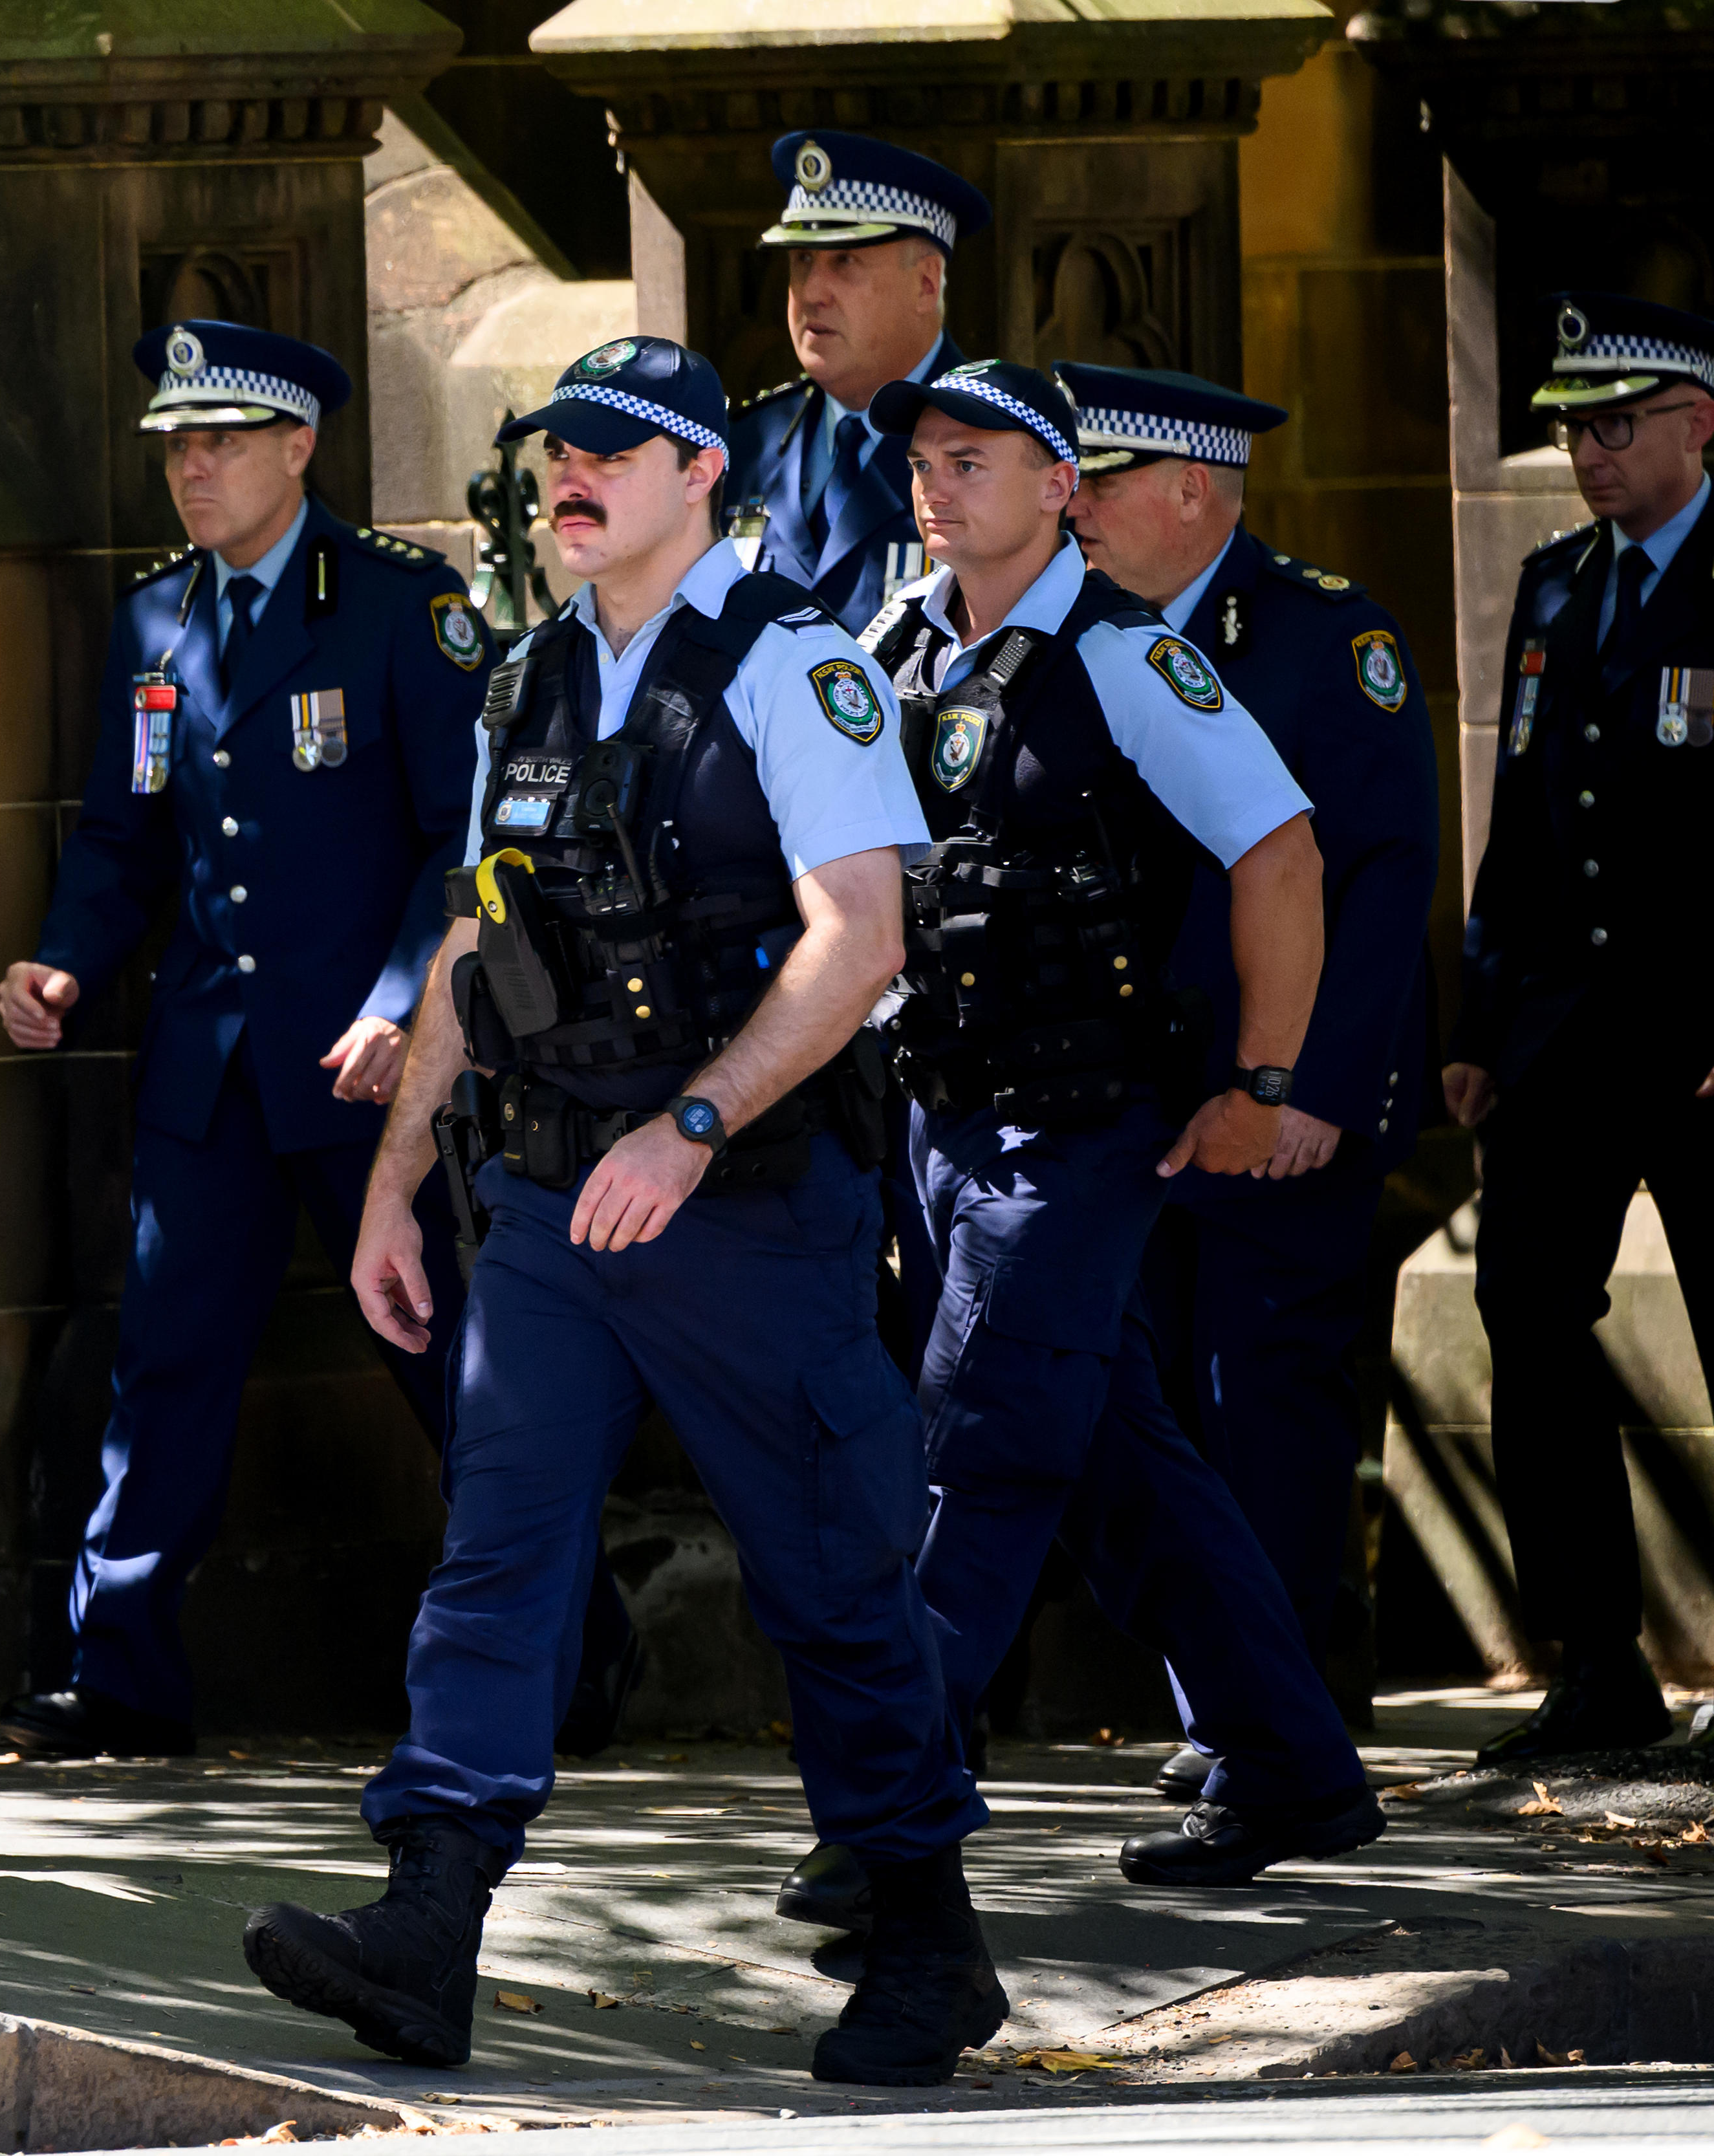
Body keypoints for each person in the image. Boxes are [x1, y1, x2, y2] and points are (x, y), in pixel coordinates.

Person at [244, 336, 1003, 2088]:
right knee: (499, 1559)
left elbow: (861, 936)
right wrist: (391, 1189)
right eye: (553, 451)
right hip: (544, 1198)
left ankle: (925, 1926)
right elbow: (470, 944)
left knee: (830, 1581)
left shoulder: (793, 663)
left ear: (699, 477)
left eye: (613, 450)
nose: (568, 475)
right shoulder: (530, 676)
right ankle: (427, 1926)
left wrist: (692, 1120)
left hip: (743, 1210)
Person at [778, 361, 1383, 1935]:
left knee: (980, 1438)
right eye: (919, 458)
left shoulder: (1125, 658)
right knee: (1120, 1461)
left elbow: (1283, 849)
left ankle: (889, 1805)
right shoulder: (895, 646)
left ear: (1058, 488)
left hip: (1082, 1127)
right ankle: (1294, 1767)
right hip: (940, 1113)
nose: (934, 483)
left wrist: (1265, 1074)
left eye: (970, 458)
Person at [0, 322, 642, 1761]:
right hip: (208, 1063)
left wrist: (404, 1000)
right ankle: (126, 1674)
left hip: (370, 1071)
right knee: (165, 1359)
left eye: (220, 439)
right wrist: (60, 960)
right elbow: (121, 836)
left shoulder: (399, 610)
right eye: (175, 442)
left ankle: (573, 1644)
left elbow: (456, 839)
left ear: (299, 448)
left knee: (449, 1359)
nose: (191, 465)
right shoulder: (156, 619)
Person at [1060, 363, 1440, 1805]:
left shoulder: (1315, 638)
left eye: (1100, 482)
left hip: (1278, 1105)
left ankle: (1291, 1719)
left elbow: (1383, 876)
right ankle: (1228, 1700)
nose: (1074, 505)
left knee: (1261, 1396)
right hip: (1137, 1108)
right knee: (1155, 1401)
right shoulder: (1079, 636)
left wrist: (1306, 1091)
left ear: (1195, 492)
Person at [1446, 292, 1714, 1766]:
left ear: (1698, 423)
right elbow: (1521, 822)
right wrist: (1478, 1016)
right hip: (1562, 1036)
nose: (1586, 453)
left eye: (1614, 425)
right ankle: (1594, 1663)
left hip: (1701, 1037)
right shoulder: (1554, 585)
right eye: (1568, 428)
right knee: (1528, 1321)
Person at [725, 131, 990, 635]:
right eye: (802, 259)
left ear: (926, 284)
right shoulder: (741, 444)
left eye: (844, 260)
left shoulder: (998, 444)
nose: (811, 291)